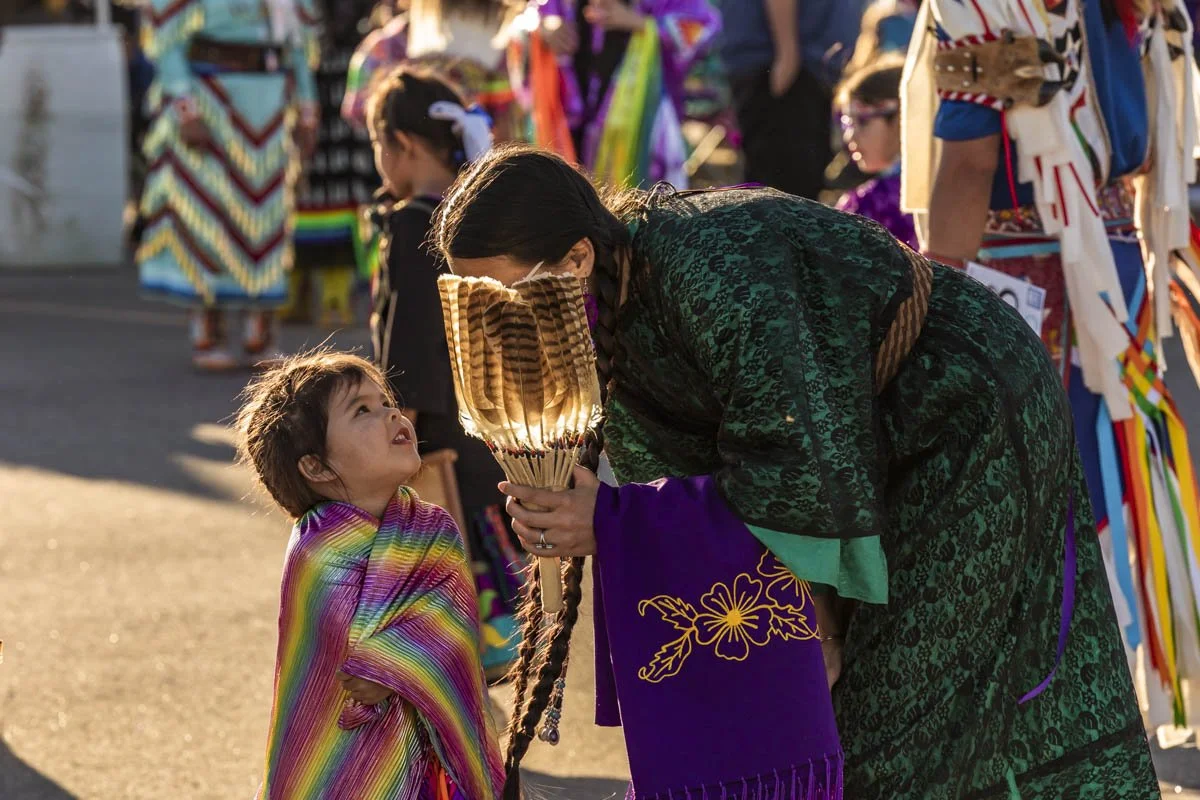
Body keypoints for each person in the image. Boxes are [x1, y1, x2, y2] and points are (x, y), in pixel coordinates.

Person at [432, 144, 1158, 798]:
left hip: (966, 421)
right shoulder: (604, 312)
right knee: (856, 719)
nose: (495, 324)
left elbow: (796, 461)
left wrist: (617, 521)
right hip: (864, 450)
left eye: (500, 296)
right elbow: (706, 474)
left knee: (895, 722)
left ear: (578, 259)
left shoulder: (712, 267)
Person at [903, 0, 1200, 730]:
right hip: (1105, 255)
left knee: (1026, 472)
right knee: (1083, 465)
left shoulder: (1000, 6)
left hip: (1035, 264)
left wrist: (936, 309)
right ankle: (1087, 683)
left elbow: (970, 165)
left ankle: (1051, 685)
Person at [236, 351, 504, 799]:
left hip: (431, 759)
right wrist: (386, 662)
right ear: (317, 467)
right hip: (349, 763)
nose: (392, 413)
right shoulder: (318, 550)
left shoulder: (433, 527)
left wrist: (392, 664)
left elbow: (453, 626)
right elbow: (340, 645)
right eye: (363, 410)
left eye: (385, 402)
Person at [365, 66, 526, 679]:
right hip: (487, 427)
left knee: (444, 562)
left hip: (434, 433)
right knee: (490, 556)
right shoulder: (475, 218)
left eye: (379, 145)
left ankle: (462, 714)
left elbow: (411, 338)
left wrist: (390, 427)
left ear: (401, 145)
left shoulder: (412, 223)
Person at [136, 0, 321, 369]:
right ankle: (208, 326)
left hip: (271, 105)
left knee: (269, 216)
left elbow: (298, 45)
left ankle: (261, 331)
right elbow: (167, 41)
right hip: (210, 100)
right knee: (205, 211)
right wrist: (184, 107)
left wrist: (307, 108)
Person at [519, 0, 722, 188]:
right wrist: (544, 26)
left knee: (632, 209)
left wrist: (641, 23)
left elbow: (704, 26)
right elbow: (526, 16)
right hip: (567, 123)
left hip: (639, 124)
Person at [282, 0, 380, 328]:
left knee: (340, 190)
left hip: (345, 80)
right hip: (308, 82)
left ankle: (333, 295)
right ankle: (296, 288)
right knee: (303, 186)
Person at [717, 0, 865, 199]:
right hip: (785, 68)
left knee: (798, 183)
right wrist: (787, 53)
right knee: (782, 189)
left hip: (801, 66)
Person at [342, 0, 521, 139]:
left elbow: (358, 112)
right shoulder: (384, 48)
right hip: (478, 173)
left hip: (479, 176)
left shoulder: (383, 48)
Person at [834, 57, 915, 249]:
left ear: (902, 118)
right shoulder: (949, 188)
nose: (850, 136)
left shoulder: (868, 205)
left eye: (862, 120)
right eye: (846, 122)